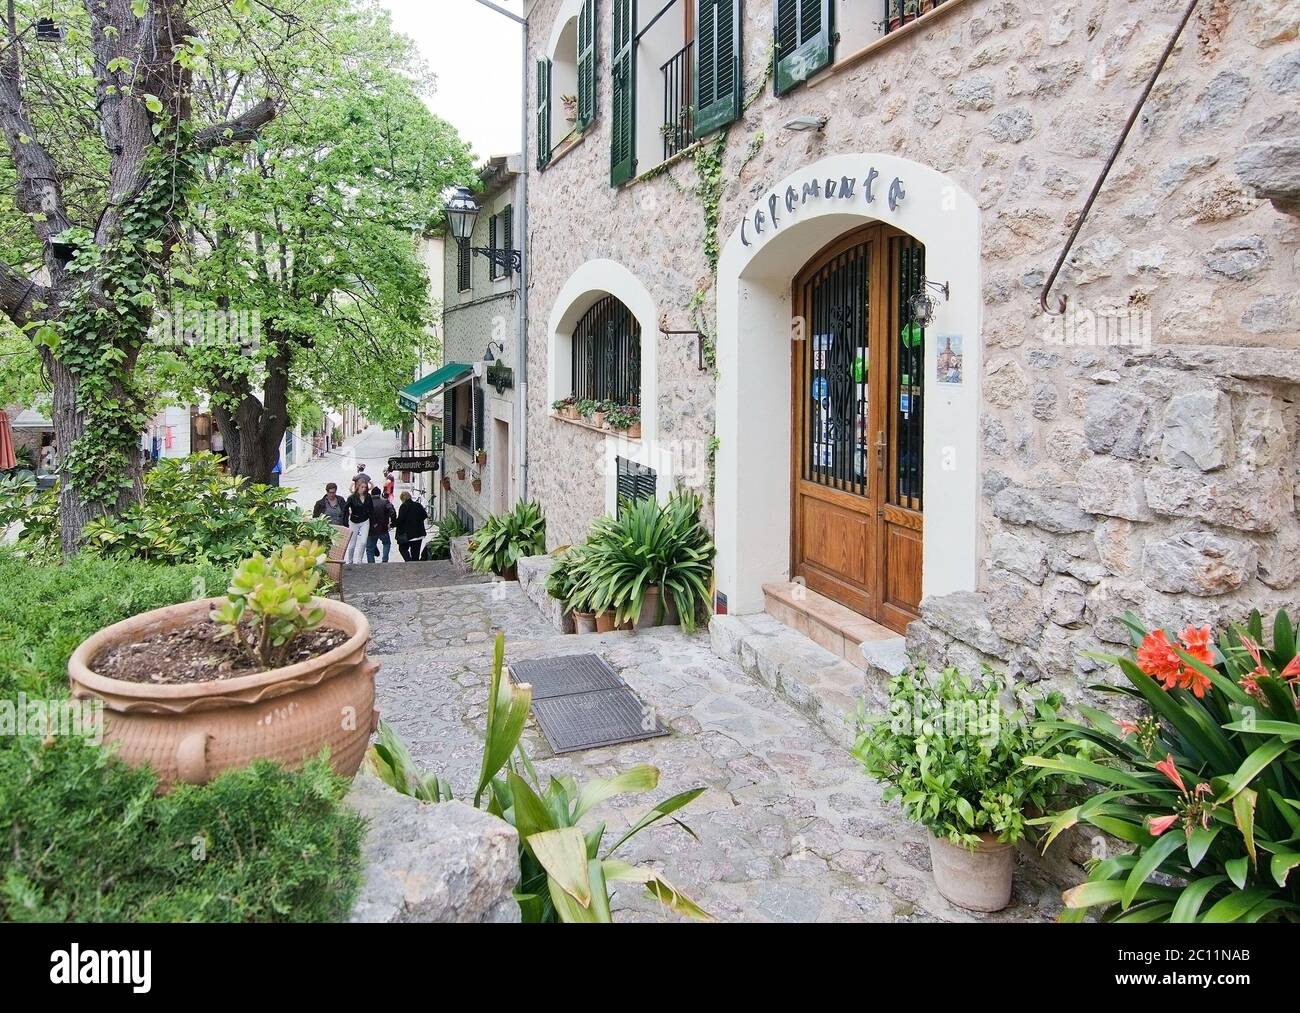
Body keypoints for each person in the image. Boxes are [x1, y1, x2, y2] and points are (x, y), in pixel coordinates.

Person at [366, 484, 397, 563]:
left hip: (371, 530)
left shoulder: (367, 503)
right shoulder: (385, 502)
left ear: (371, 494)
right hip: (383, 528)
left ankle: (371, 564)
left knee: (370, 548)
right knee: (386, 543)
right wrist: (392, 523)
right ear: (380, 494)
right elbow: (392, 512)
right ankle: (384, 559)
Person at [344, 478, 372, 564]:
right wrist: (345, 521)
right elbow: (345, 509)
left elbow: (371, 509)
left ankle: (359, 560)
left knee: (363, 542)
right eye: (362, 487)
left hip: (365, 520)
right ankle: (350, 560)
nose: (364, 489)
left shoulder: (368, 496)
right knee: (352, 544)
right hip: (354, 521)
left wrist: (374, 521)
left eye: (365, 487)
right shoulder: (352, 498)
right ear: (358, 487)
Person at [395, 491, 428, 562]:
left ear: (402, 499)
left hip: (408, 535)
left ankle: (409, 562)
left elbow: (400, 519)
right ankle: (415, 568)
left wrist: (393, 524)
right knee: (415, 555)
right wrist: (417, 521)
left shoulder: (404, 506)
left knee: (402, 548)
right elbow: (425, 515)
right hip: (419, 534)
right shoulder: (418, 505)